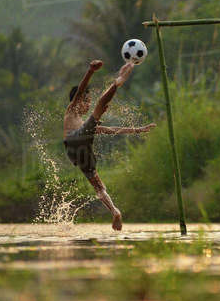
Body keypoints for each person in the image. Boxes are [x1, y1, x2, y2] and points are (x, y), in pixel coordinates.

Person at [63, 60, 156, 230]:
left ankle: (115, 212)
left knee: (99, 187)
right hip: (75, 139)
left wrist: (139, 130)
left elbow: (110, 129)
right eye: (86, 101)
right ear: (79, 100)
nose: (87, 104)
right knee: (100, 107)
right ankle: (117, 83)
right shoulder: (71, 109)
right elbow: (82, 89)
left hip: (77, 151)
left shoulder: (81, 122)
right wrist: (90, 71)